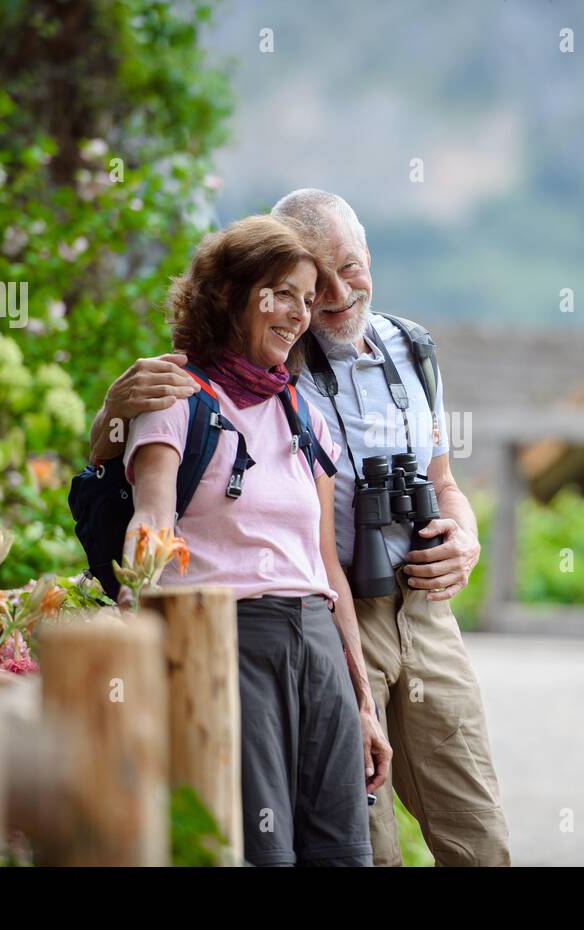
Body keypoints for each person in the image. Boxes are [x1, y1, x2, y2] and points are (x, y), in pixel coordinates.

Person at [91, 192, 511, 867]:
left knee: (472, 828)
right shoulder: (236, 377)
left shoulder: (403, 354)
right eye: (297, 289)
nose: (327, 300)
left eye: (343, 272)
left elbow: (437, 489)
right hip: (274, 622)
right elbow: (151, 498)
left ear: (370, 257)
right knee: (342, 844)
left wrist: (466, 537)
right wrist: (133, 606)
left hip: (389, 613)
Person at [118, 214, 390, 866]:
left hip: (318, 644)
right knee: (258, 849)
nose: (299, 313)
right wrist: (137, 605)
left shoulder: (303, 411)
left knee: (342, 853)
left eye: (306, 297)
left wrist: (363, 701)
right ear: (231, 293)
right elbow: (152, 515)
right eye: (280, 293)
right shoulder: (176, 396)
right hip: (225, 639)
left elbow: (327, 566)